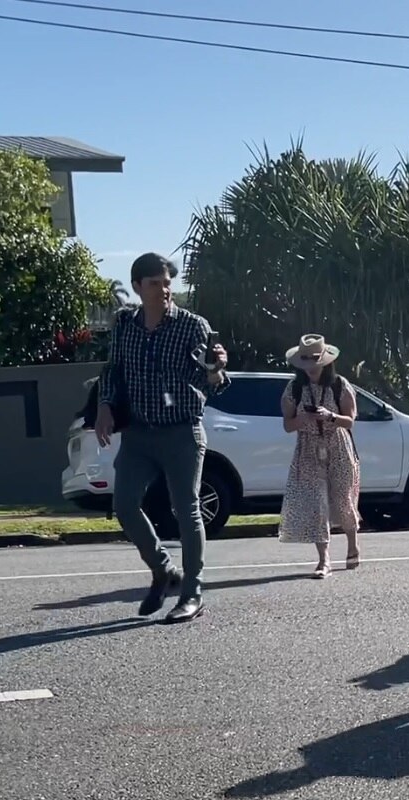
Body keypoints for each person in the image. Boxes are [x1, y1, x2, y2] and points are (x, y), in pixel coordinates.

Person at [96, 252, 229, 623]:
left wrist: (217, 371)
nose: (164, 290)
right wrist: (105, 406)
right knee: (123, 505)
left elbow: (214, 383)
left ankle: (192, 593)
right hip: (139, 432)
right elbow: (114, 370)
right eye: (155, 283)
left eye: (168, 282)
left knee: (186, 510)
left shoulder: (192, 326)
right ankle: (164, 569)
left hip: (181, 431)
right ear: (138, 287)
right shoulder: (125, 324)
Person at [279, 334, 362, 578]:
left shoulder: (339, 385)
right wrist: (302, 419)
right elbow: (287, 425)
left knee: (343, 500)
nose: (311, 367)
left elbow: (350, 421)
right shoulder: (294, 388)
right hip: (308, 449)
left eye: (315, 361)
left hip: (338, 446)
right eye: (305, 362)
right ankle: (324, 560)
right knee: (317, 504)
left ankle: (353, 543)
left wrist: (329, 416)